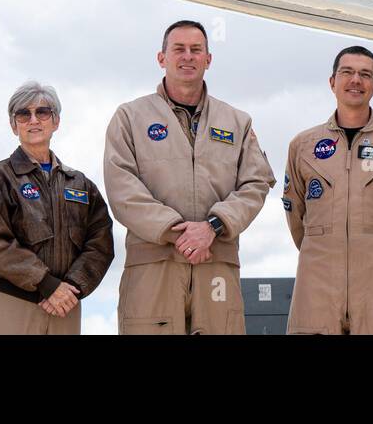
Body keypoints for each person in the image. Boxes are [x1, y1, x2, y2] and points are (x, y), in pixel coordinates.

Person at [104, 19, 275, 334]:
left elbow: (256, 183)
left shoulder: (237, 121)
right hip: (153, 264)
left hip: (217, 262)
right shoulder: (129, 117)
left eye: (196, 50)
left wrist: (212, 227)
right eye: (178, 49)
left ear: (208, 60)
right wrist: (178, 233)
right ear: (161, 58)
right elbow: (121, 188)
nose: (188, 56)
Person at [283, 45, 373, 334]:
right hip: (318, 283)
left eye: (365, 75)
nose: (356, 80)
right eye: (347, 72)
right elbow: (295, 212)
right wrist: (327, 248)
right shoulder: (302, 145)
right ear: (332, 82)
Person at [0, 82, 114, 334]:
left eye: (43, 112)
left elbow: (100, 244)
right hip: (10, 304)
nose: (33, 120)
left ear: (56, 121)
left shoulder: (81, 185)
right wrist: (47, 284)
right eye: (23, 114)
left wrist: (71, 287)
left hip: (65, 306)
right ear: (13, 125)